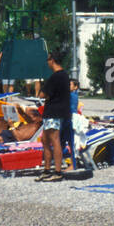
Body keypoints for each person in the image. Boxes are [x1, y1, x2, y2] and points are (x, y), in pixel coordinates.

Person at [37, 51, 70, 180]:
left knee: (54, 140)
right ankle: (47, 169)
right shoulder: (65, 76)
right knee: (45, 140)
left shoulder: (55, 77)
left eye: (48, 60)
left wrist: (41, 86)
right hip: (57, 112)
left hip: (53, 112)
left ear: (52, 60)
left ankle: (57, 172)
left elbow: (42, 95)